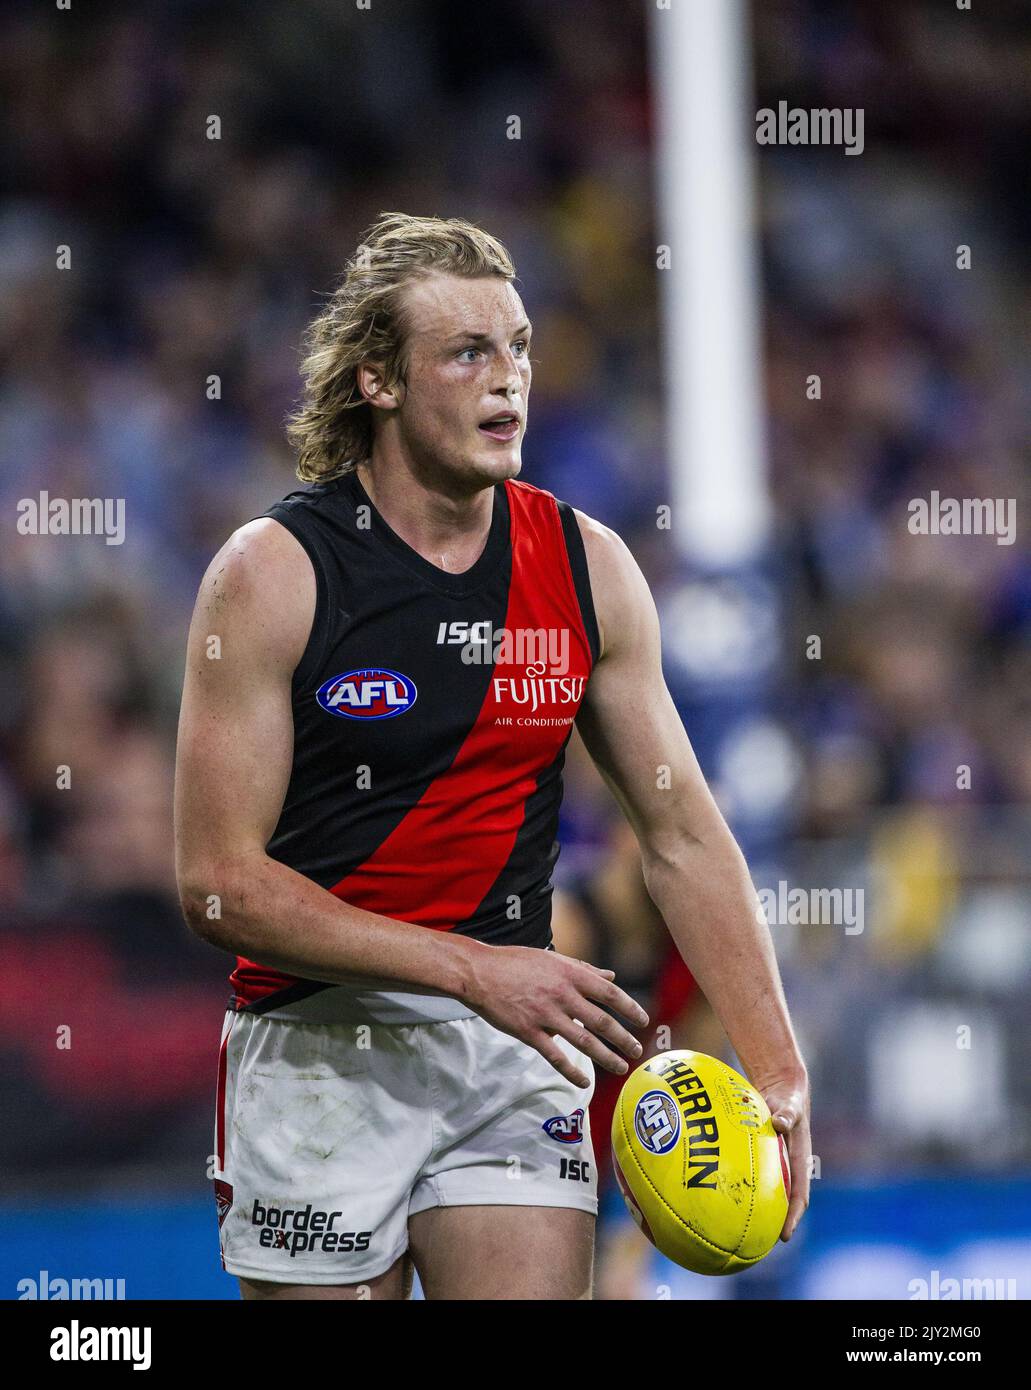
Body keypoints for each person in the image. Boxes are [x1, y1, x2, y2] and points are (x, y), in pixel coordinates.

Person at [173, 212, 811, 1300]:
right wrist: (469, 967)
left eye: (517, 346)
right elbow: (216, 885)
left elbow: (682, 835)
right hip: (316, 1043)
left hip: (514, 1052)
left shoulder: (584, 567)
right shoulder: (269, 576)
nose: (507, 378)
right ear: (375, 378)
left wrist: (778, 1066)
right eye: (467, 352)